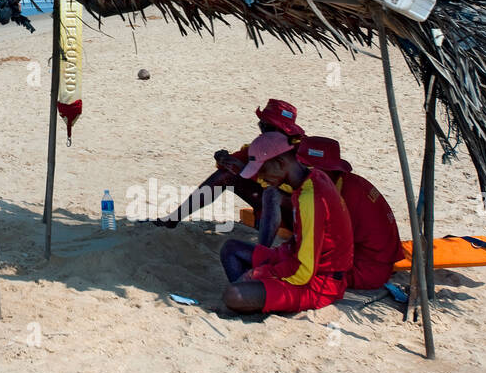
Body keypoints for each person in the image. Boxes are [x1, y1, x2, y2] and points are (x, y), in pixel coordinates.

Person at [219, 132, 353, 314]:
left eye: (262, 171)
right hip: (293, 256)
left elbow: (304, 272)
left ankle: (258, 299)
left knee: (233, 295)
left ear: (281, 164)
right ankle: (259, 297)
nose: (260, 179)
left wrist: (259, 274)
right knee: (231, 249)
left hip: (320, 283)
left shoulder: (310, 199)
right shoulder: (310, 178)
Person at [152, 99, 305, 246]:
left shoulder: (303, 153)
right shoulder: (264, 144)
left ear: (279, 130)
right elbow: (238, 163)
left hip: (298, 213)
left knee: (272, 195)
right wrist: (225, 160)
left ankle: (264, 249)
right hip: (272, 205)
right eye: (262, 124)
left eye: (265, 126)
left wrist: (249, 173)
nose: (261, 128)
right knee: (226, 176)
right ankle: (173, 219)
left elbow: (299, 195)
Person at [296, 136, 402, 290]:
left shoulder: (344, 195)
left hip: (367, 271)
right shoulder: (348, 183)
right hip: (376, 262)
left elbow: (329, 246)